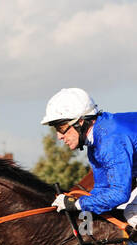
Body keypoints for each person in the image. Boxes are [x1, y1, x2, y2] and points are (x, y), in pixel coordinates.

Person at [41, 87, 137, 226]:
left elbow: (119, 194)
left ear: (80, 122)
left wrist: (78, 204)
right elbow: (102, 188)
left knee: (132, 214)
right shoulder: (96, 141)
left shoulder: (110, 139)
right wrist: (78, 204)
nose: (59, 136)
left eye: (61, 128)